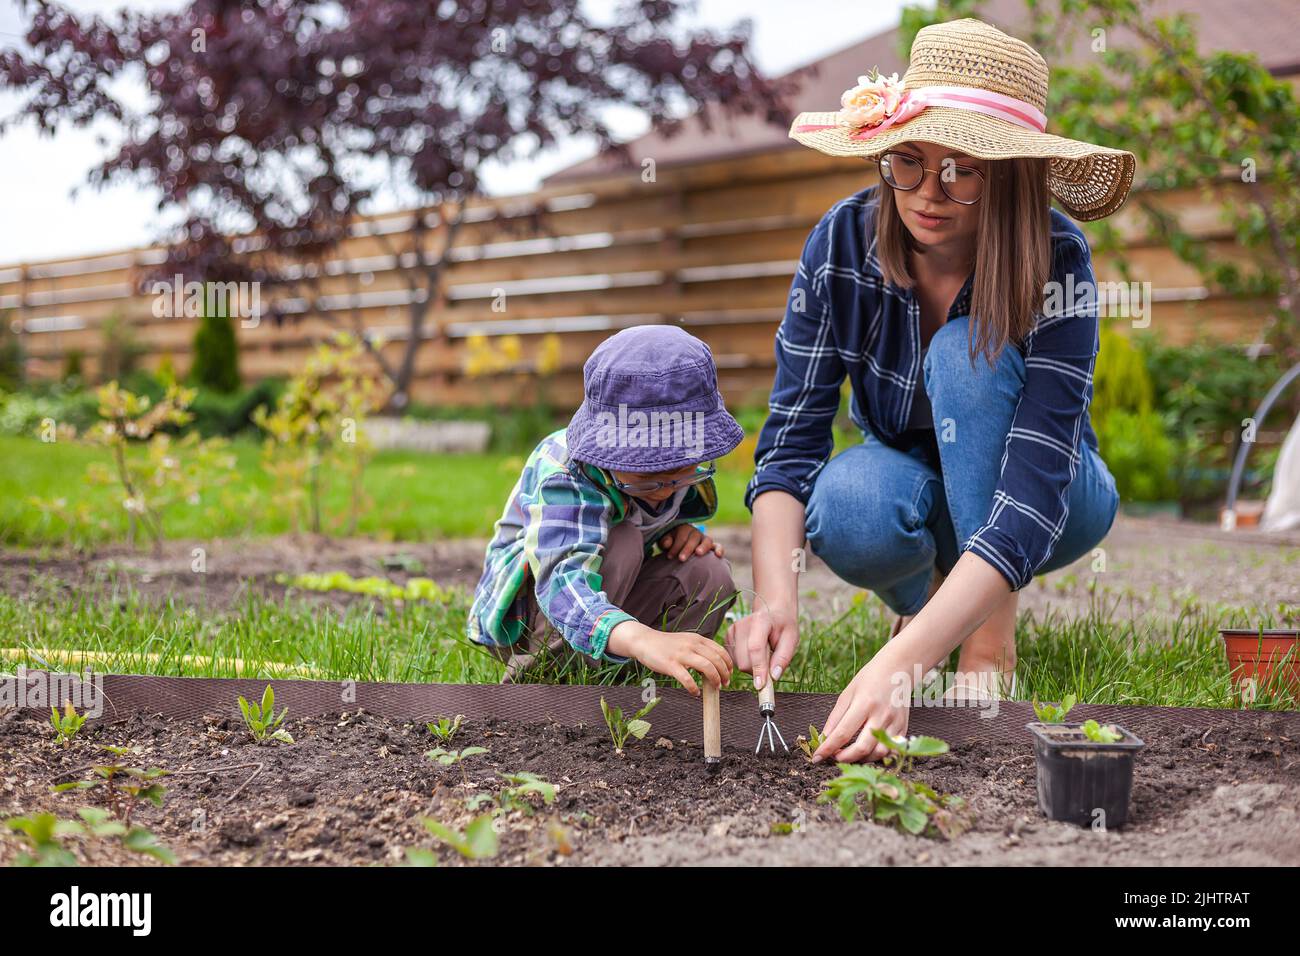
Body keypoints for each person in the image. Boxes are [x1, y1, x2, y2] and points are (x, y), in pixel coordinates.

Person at [727, 18, 1133, 762]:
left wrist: (902, 665)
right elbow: (788, 450)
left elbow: (1038, 484)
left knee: (965, 355)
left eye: (963, 168)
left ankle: (986, 644)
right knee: (847, 505)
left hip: (1056, 496)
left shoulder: (1059, 255)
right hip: (914, 493)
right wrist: (774, 601)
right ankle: (936, 612)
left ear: (1010, 171)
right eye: (907, 161)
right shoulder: (841, 242)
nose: (927, 193)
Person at [468, 324, 743, 693]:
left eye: (679, 477)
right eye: (646, 480)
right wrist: (642, 638)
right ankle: (542, 682)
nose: (664, 491)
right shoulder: (564, 474)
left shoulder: (675, 476)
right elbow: (563, 583)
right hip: (540, 613)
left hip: (614, 602)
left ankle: (638, 687)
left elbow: (656, 513)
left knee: (710, 573)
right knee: (624, 540)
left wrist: (677, 533)